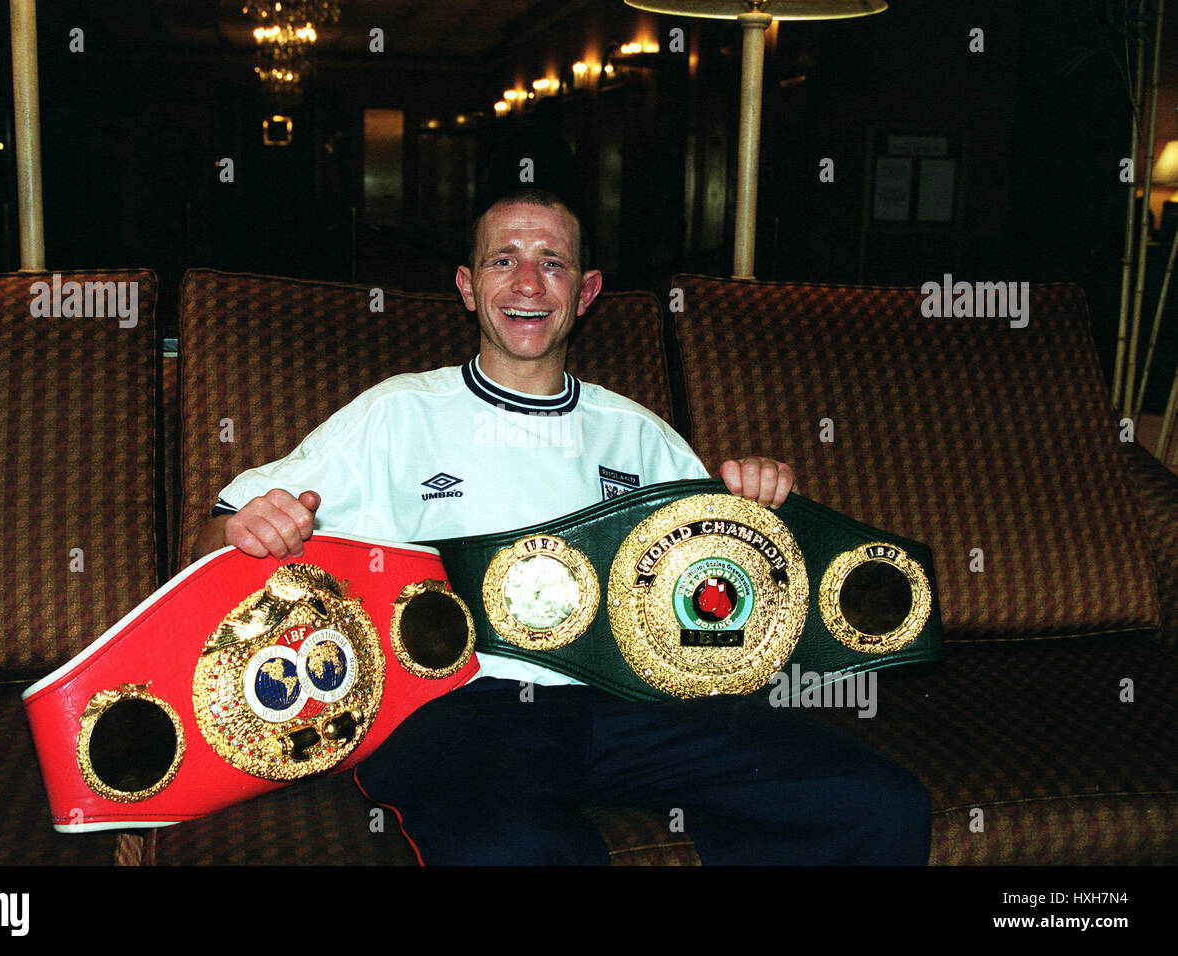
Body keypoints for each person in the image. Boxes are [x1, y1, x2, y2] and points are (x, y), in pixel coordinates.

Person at [191, 187, 931, 865]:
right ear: (466, 285)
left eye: (552, 264)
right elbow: (214, 540)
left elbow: (729, 606)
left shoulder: (636, 433)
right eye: (502, 261)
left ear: (586, 293)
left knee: (874, 803)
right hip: (459, 708)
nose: (526, 284)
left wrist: (761, 513)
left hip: (636, 702)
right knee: (517, 850)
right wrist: (244, 531)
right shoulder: (398, 413)